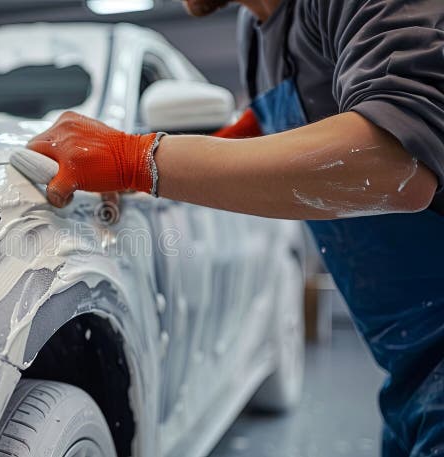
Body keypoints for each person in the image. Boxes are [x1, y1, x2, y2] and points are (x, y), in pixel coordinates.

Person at [25, 0, 444, 455]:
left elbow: (399, 160)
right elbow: (287, 116)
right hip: (411, 367)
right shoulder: (255, 26)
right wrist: (152, 170)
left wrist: (139, 160)